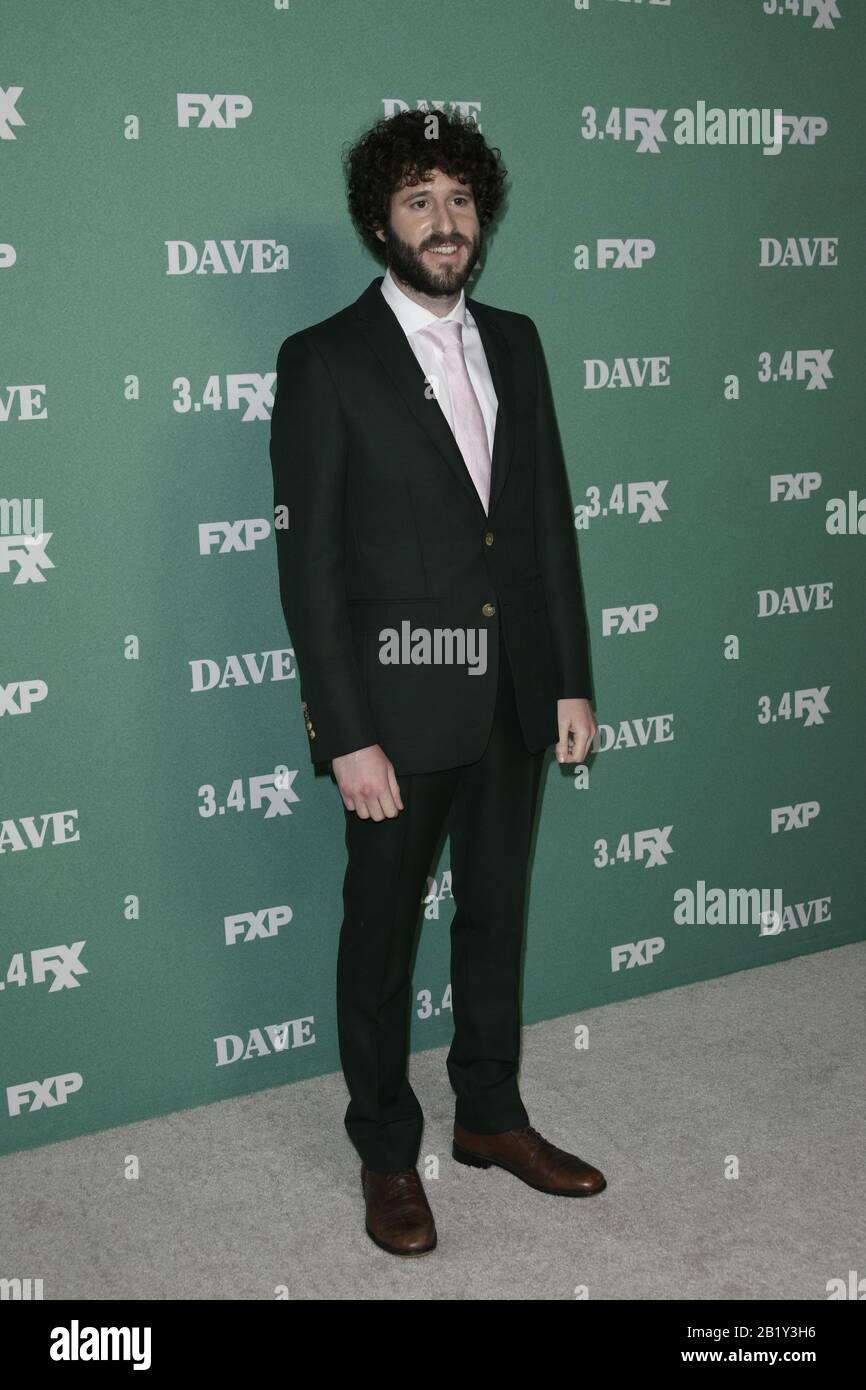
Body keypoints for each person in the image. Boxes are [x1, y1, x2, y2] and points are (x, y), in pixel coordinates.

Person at [269, 109, 606, 1258]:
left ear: (482, 216)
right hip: (395, 710)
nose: (444, 220)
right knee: (378, 937)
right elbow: (308, 568)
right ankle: (382, 1147)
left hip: (512, 692)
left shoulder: (514, 340)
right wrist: (344, 733)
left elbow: (543, 526)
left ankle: (491, 1118)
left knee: (495, 916)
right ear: (380, 220)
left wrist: (566, 677)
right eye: (418, 198)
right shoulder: (322, 359)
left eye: (459, 198)